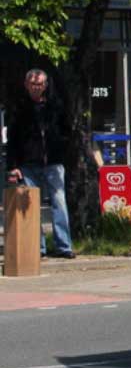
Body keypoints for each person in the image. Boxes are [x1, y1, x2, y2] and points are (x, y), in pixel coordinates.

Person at [5, 69, 75, 259]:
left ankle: (64, 245)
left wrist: (62, 150)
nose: (36, 88)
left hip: (53, 161)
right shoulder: (19, 108)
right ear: (26, 85)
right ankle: (38, 247)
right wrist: (13, 166)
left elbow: (67, 131)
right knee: (31, 205)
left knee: (59, 203)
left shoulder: (55, 106)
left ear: (45, 86)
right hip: (28, 164)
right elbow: (12, 139)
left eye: (40, 84)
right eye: (33, 84)